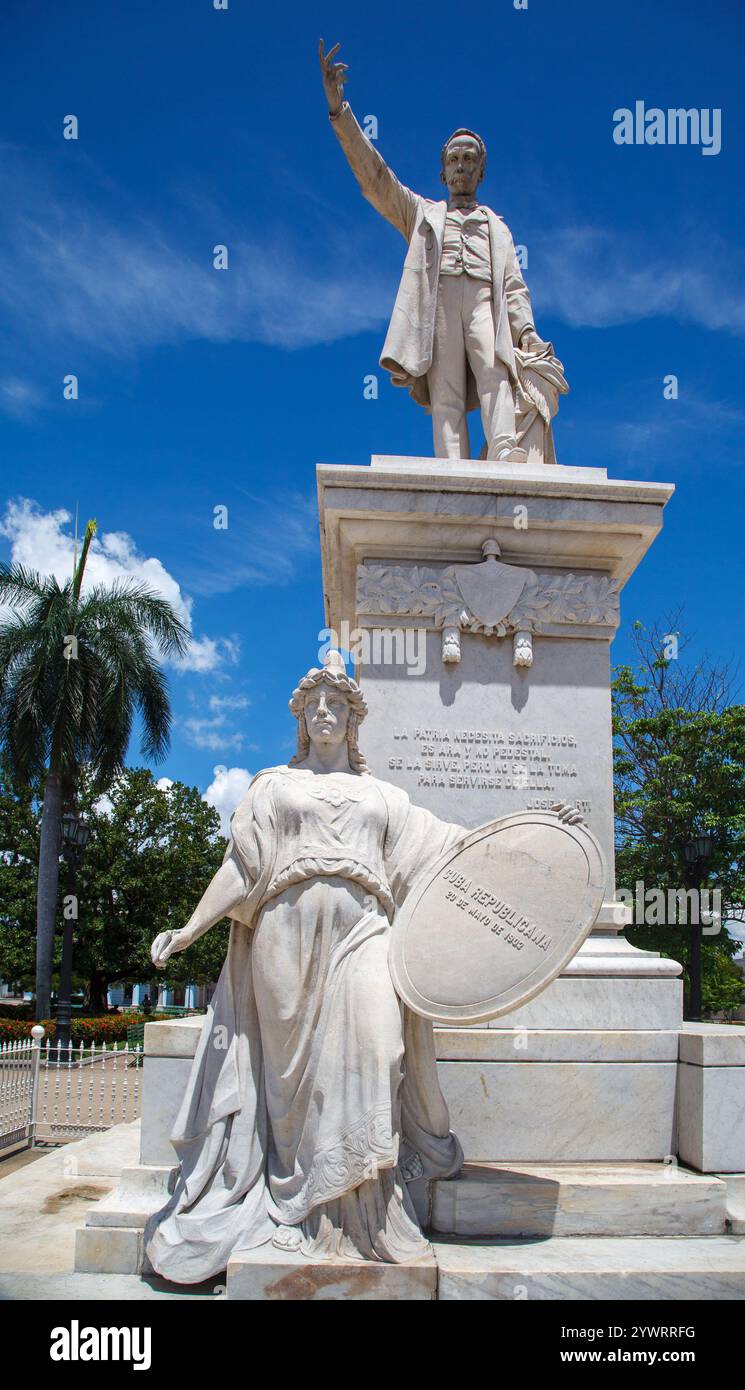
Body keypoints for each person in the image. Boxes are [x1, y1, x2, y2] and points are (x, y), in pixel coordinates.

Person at [145, 651, 466, 1281]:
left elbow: (452, 850)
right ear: (300, 720)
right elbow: (242, 868)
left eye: (337, 705)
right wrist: (190, 929)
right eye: (313, 705)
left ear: (353, 720)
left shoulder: (385, 797)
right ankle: (301, 1212)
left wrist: (530, 829)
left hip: (365, 930)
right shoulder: (273, 786)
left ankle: (369, 1213)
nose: (324, 713)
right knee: (288, 1088)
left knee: (378, 1050)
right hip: (283, 934)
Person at [319, 39, 566, 463]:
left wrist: (525, 331)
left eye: (469, 159)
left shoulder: (497, 227)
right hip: (439, 299)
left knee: (496, 370)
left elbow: (513, 287)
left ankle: (505, 451)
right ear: (442, 169)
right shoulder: (423, 214)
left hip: (484, 300)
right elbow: (375, 179)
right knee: (446, 390)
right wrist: (341, 113)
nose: (461, 166)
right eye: (454, 159)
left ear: (481, 170)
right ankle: (451, 466)